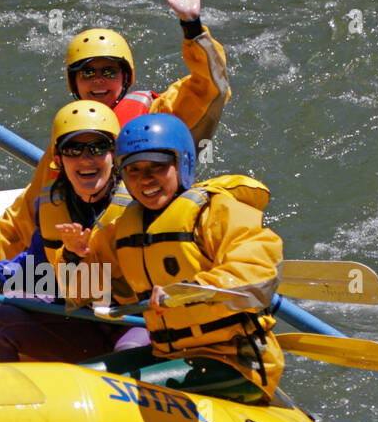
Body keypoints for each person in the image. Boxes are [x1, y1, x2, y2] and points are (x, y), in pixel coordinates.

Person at [0, 0, 230, 268]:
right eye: (88, 73)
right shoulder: (68, 137)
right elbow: (20, 223)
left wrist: (192, 27)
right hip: (87, 265)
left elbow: (211, 86)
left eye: (109, 72)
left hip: (148, 251)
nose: (99, 82)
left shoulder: (157, 118)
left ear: (126, 78)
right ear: (73, 82)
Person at [59, 114, 284, 403]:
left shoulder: (215, 212)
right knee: (75, 379)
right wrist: (74, 255)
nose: (146, 179)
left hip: (235, 360)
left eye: (158, 167)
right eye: (134, 170)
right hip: (169, 354)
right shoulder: (120, 231)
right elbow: (80, 296)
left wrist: (184, 290)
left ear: (182, 164)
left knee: (101, 393)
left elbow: (257, 271)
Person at [0, 101, 149, 361]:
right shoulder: (52, 204)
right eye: (73, 149)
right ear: (57, 159)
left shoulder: (141, 202)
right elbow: (34, 266)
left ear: (115, 154)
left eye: (98, 147)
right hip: (82, 317)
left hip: (133, 319)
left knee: (129, 353)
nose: (86, 158)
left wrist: (82, 258)